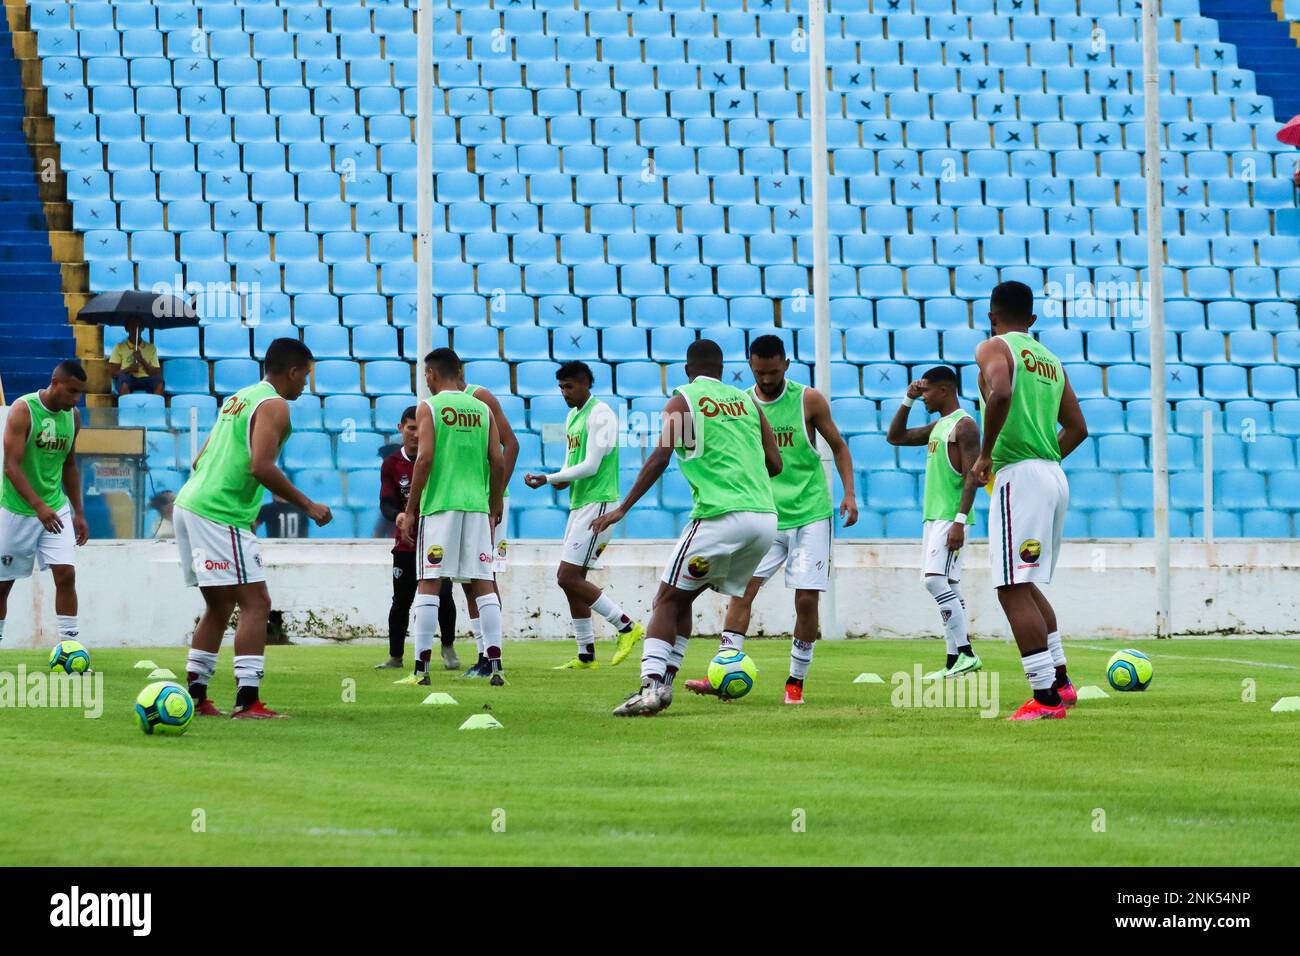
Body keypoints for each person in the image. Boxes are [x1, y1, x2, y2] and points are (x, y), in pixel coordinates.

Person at [591, 339, 782, 717]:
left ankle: (650, 687)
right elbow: (774, 463)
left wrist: (622, 508)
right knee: (683, 598)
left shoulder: (684, 400)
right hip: (764, 519)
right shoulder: (748, 403)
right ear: (724, 370)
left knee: (664, 600)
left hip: (719, 515)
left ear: (687, 370)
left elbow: (660, 457)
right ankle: (664, 687)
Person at [173, 338, 332, 719]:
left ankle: (196, 695)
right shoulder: (274, 405)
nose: (306, 385)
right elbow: (260, 466)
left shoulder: (239, 397)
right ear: (292, 372)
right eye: (305, 376)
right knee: (256, 603)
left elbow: (200, 459)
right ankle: (247, 701)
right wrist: (308, 505)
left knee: (220, 604)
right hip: (218, 511)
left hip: (190, 503)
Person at [701, 335, 857, 705]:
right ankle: (723, 667)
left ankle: (795, 683)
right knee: (743, 589)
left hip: (810, 514)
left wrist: (848, 494)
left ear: (786, 364)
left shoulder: (808, 400)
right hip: (766, 515)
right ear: (750, 366)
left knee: (805, 600)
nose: (767, 380)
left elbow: (838, 445)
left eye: (772, 372)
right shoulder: (740, 404)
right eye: (759, 372)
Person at [971, 281, 1089, 721]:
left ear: (991, 315)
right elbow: (1078, 427)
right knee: (1027, 581)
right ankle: (1061, 683)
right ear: (1033, 320)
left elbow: (999, 393)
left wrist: (987, 454)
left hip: (1019, 476)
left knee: (1011, 586)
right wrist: (1047, 458)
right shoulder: (1051, 360)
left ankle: (1044, 698)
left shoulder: (992, 347)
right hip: (1053, 474)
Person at [523, 361, 643, 670]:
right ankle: (586, 654)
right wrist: (553, 479)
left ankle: (627, 626)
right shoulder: (573, 416)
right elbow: (569, 468)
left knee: (567, 576)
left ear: (586, 383)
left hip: (599, 505)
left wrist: (550, 478)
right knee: (572, 581)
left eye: (570, 386)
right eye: (561, 387)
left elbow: (591, 466)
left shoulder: (601, 413)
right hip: (580, 504)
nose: (565, 393)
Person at [396, 348, 505, 687]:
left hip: (441, 506)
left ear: (430, 375)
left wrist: (411, 509)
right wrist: (494, 500)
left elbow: (424, 457)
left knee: (429, 581)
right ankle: (495, 665)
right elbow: (498, 460)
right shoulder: (481, 408)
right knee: (483, 583)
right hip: (476, 507)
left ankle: (420, 669)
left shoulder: (428, 407)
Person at [886, 365, 982, 680]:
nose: (923, 395)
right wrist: (908, 399)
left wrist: (959, 521)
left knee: (933, 581)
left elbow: (973, 477)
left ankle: (967, 652)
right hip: (934, 518)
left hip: (950, 517)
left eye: (926, 391)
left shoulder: (965, 426)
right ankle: (954, 660)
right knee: (949, 585)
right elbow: (895, 437)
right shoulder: (939, 426)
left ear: (943, 390)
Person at [0, 361, 89, 651]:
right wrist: (38, 507)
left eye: (80, 394)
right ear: (55, 382)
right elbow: (10, 466)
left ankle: (70, 649)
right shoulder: (23, 409)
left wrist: (79, 512)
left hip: (55, 507)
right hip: (16, 511)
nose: (76, 399)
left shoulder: (73, 416)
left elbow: (70, 465)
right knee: (3, 585)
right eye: (72, 392)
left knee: (67, 574)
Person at [376, 405, 457, 671]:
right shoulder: (391, 464)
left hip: (436, 542)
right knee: (401, 600)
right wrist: (399, 516)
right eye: (411, 428)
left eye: (420, 429)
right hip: (406, 545)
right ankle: (395, 656)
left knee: (444, 595)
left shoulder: (435, 460)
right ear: (401, 429)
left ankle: (448, 649)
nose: (415, 434)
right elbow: (386, 502)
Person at [455, 357, 519, 678]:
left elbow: (512, 445)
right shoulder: (440, 404)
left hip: (487, 503)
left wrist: (496, 497)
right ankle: (482, 654)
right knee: (468, 581)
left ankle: (493, 657)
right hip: (467, 502)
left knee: (484, 576)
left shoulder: (480, 397)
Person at [108, 318, 164, 396]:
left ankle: (154, 407)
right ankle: (127, 407)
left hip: (146, 378)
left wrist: (142, 360)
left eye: (138, 327)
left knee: (159, 383)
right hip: (128, 378)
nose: (135, 329)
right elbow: (113, 373)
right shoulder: (119, 347)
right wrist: (129, 369)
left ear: (142, 328)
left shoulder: (151, 348)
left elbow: (157, 372)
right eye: (132, 326)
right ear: (126, 329)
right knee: (123, 384)